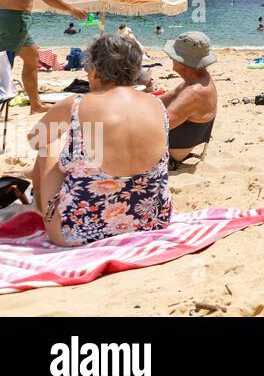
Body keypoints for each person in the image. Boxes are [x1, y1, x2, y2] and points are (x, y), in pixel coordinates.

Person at [28, 33, 171, 246]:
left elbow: (34, 139)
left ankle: (43, 212)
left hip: (79, 232)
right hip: (152, 221)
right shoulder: (156, 105)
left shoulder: (76, 104)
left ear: (94, 71)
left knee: (47, 143)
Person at [159, 31, 218, 165]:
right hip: (175, 144)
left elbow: (160, 126)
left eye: (173, 56)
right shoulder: (200, 78)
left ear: (183, 62)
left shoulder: (194, 92)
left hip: (168, 156)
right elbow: (171, 96)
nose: (171, 58)